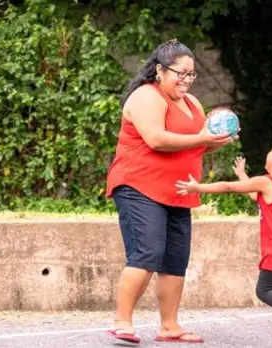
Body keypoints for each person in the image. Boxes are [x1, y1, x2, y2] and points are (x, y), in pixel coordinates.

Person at [105, 39, 237, 344]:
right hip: (139, 186)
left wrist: (216, 139)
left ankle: (169, 326)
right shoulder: (145, 97)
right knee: (146, 253)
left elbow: (198, 140)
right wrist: (203, 137)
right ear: (160, 70)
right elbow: (156, 139)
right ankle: (121, 322)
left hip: (179, 189)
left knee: (176, 260)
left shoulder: (193, 104)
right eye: (181, 73)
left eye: (191, 75)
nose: (186, 80)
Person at [175, 136, 272, 347]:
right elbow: (254, 196)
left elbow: (227, 188)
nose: (268, 152)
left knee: (264, 290)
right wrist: (242, 174)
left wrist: (198, 188)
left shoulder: (266, 181)